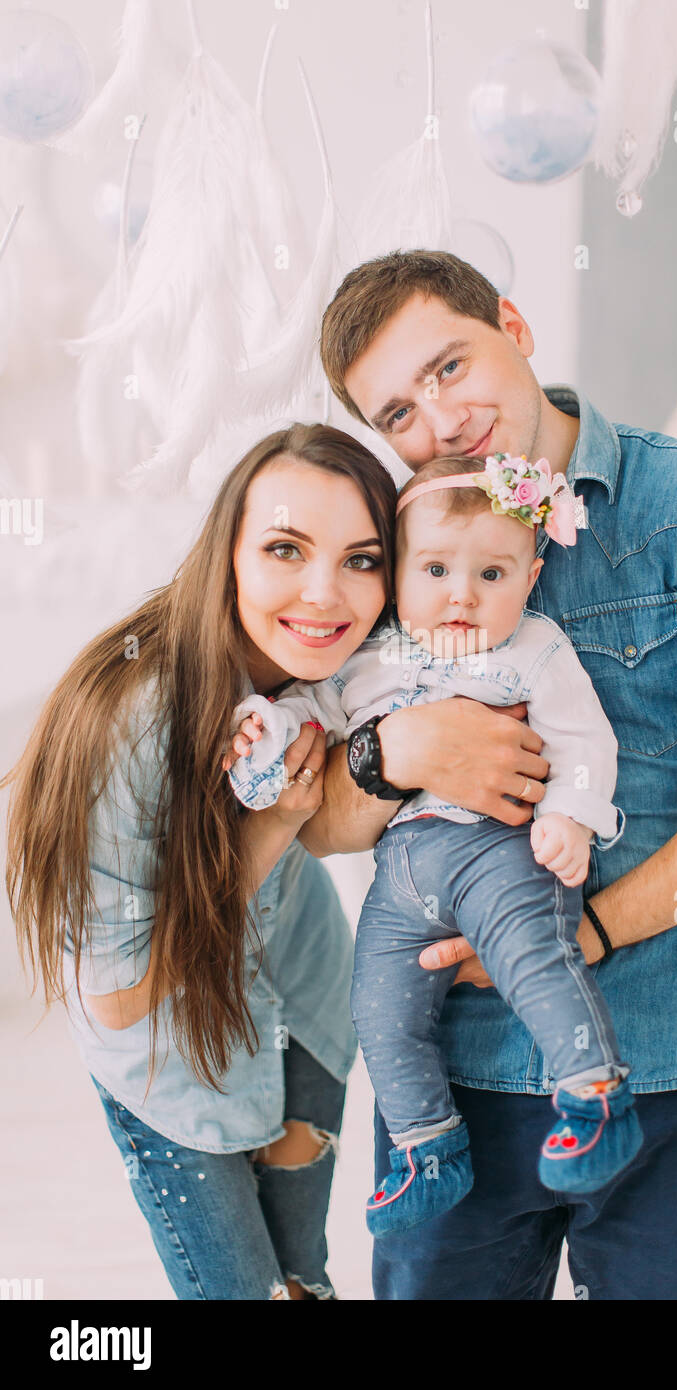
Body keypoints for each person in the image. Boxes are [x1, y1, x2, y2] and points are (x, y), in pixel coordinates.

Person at [298, 249, 677, 1300]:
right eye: (399, 410)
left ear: (512, 324)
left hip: (668, 1076)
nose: (441, 418)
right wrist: (395, 753)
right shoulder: (391, 538)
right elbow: (319, 817)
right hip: (447, 1087)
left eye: (449, 366)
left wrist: (587, 929)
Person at [3, 423, 397, 1300]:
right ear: (228, 552)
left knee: (304, 1283)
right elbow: (117, 1000)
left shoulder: (340, 667)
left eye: (363, 559)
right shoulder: (132, 722)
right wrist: (265, 836)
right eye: (286, 549)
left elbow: (344, 825)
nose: (326, 592)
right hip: (169, 1061)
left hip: (303, 990)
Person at [227, 450, 642, 1237]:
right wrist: (266, 725)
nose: (462, 594)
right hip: (404, 871)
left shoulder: (535, 648)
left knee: (536, 960)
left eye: (493, 574)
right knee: (377, 1005)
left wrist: (572, 814)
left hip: (504, 850)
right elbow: (310, 713)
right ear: (399, 575)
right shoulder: (367, 654)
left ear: (530, 575)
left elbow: (585, 738)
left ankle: (593, 1095)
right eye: (437, 569)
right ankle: (427, 1146)